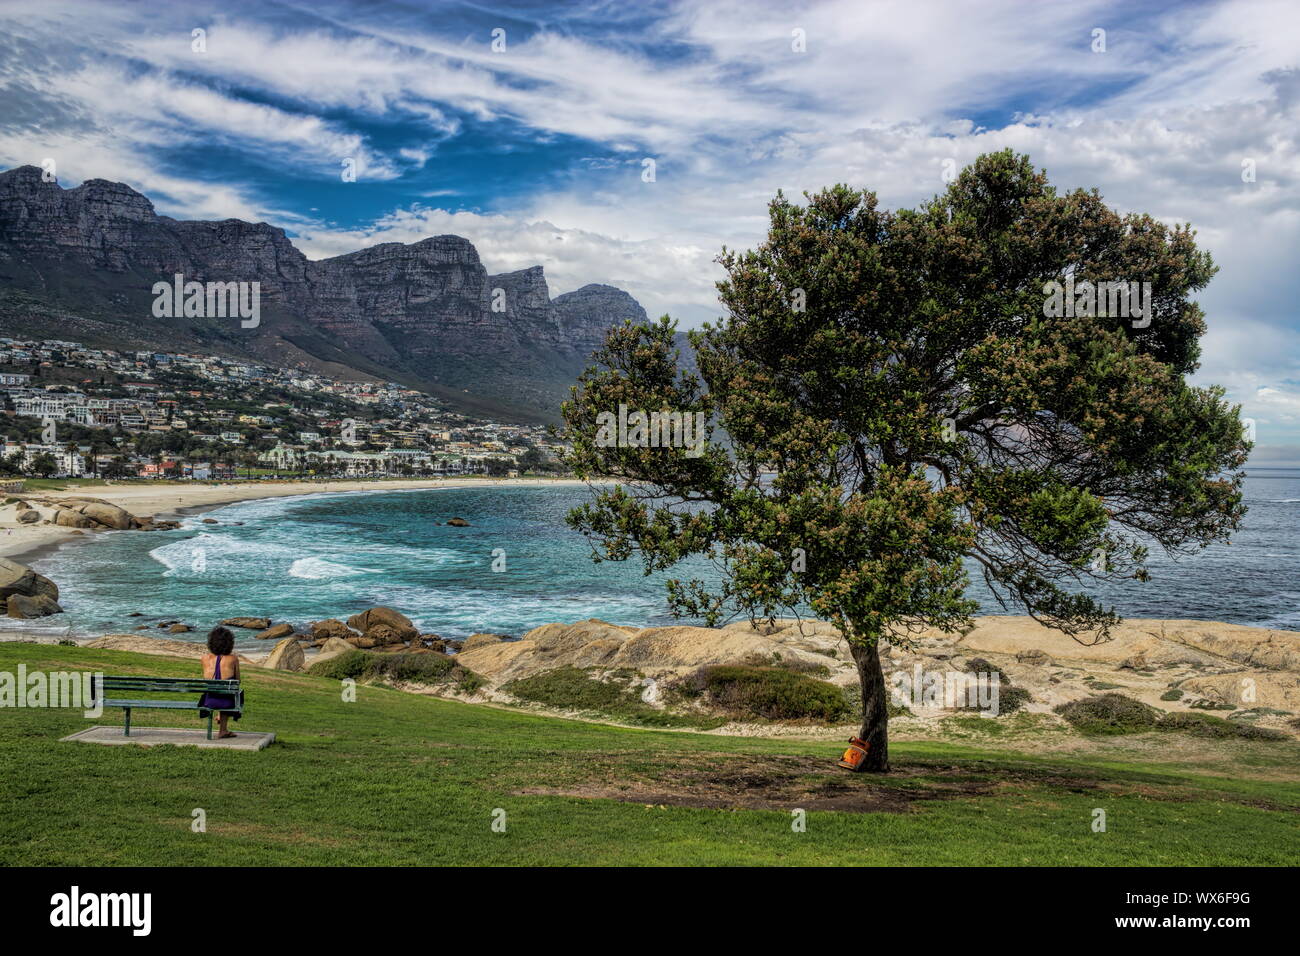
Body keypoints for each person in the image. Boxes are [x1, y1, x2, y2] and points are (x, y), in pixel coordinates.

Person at [198, 626, 240, 738]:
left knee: (218, 689)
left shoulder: (204, 658)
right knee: (231, 691)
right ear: (229, 643)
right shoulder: (233, 659)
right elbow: (238, 681)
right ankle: (223, 730)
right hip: (227, 701)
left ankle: (219, 716)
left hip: (209, 700)